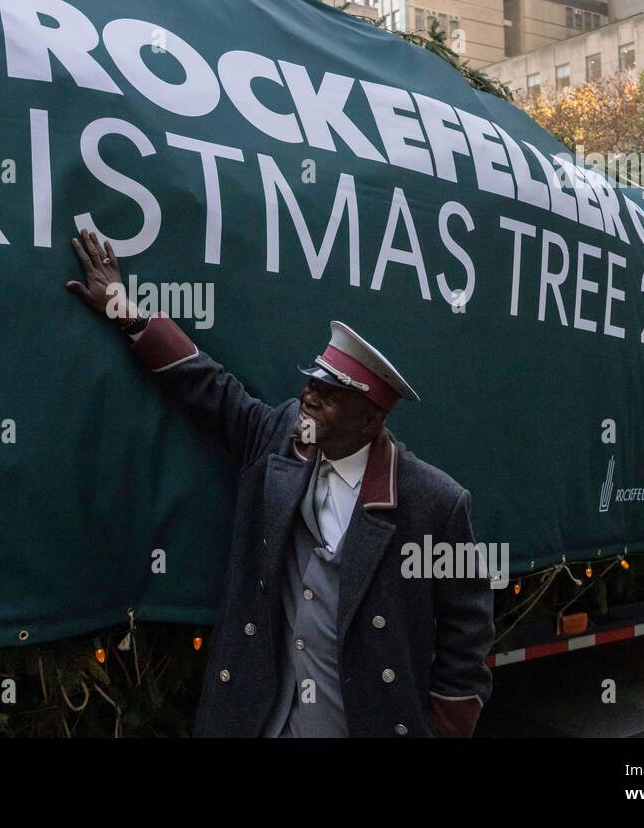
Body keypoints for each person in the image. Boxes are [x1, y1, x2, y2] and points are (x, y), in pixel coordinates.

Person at [66, 228, 494, 737]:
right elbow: (208, 386)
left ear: (371, 420)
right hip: (266, 721)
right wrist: (124, 308)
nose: (310, 397)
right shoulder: (280, 437)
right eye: (312, 381)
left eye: (330, 393)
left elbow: (468, 639)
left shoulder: (435, 503)